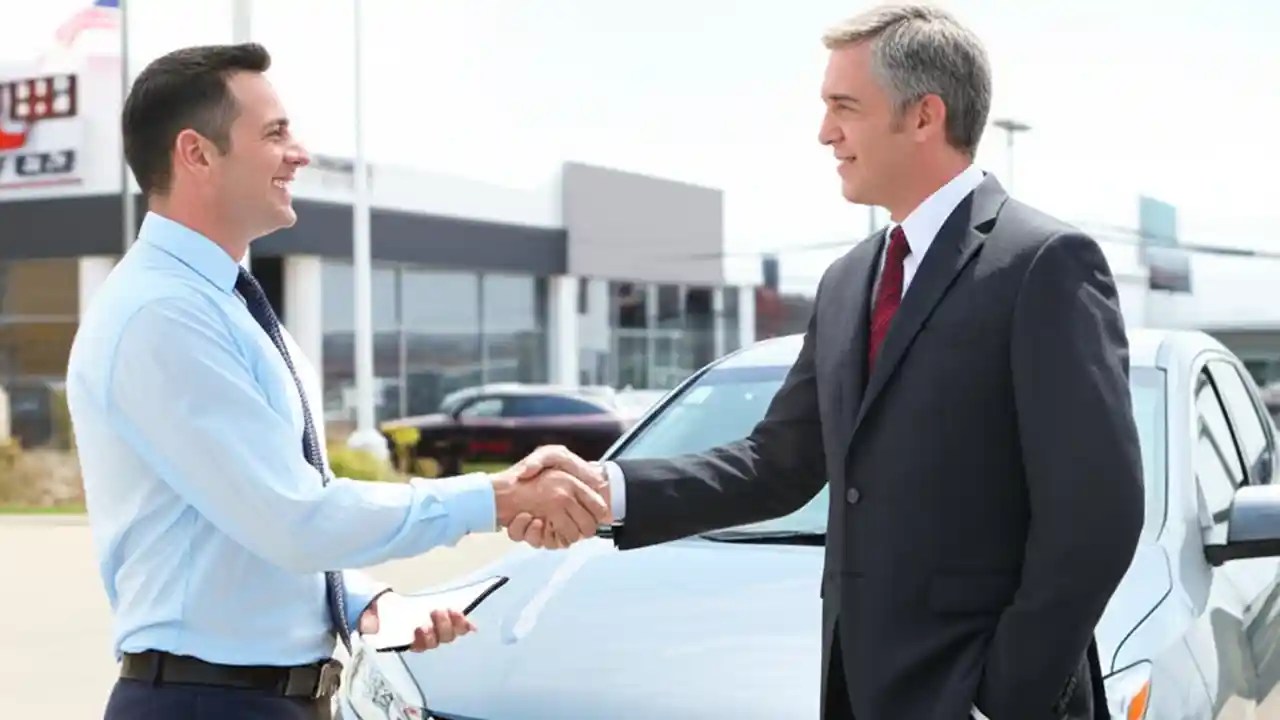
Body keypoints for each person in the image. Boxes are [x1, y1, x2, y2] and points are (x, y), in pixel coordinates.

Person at [509, 4, 1144, 719]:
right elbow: (777, 463)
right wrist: (604, 489)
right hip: (857, 687)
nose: (825, 133)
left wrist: (1004, 696)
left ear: (925, 116)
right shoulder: (850, 279)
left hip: (983, 696)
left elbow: (1097, 517)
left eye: (845, 107)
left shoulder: (1044, 265)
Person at [65, 43, 608, 720]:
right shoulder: (163, 315)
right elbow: (292, 518)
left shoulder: (227, 306)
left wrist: (358, 599)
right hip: (207, 703)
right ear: (196, 154)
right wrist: (497, 498)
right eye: (275, 134)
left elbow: (249, 523)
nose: (299, 153)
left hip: (266, 698)